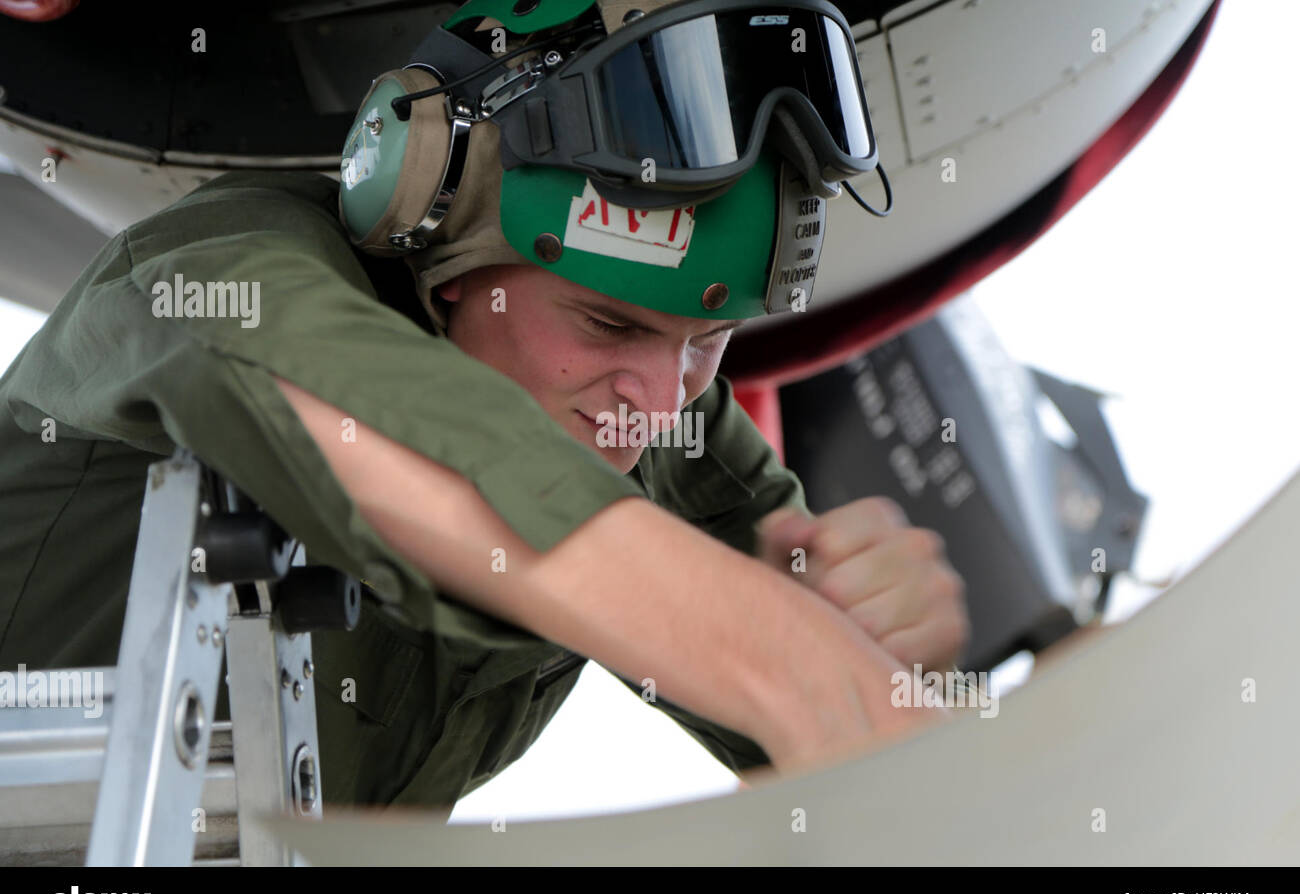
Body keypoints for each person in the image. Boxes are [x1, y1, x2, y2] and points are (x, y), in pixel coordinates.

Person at [0, 0, 968, 810]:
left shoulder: (645, 416)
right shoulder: (224, 266)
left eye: (708, 342)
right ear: (446, 260)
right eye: (605, 324)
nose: (661, 396)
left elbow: (875, 749)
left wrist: (871, 626)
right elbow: (354, 411)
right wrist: (777, 648)